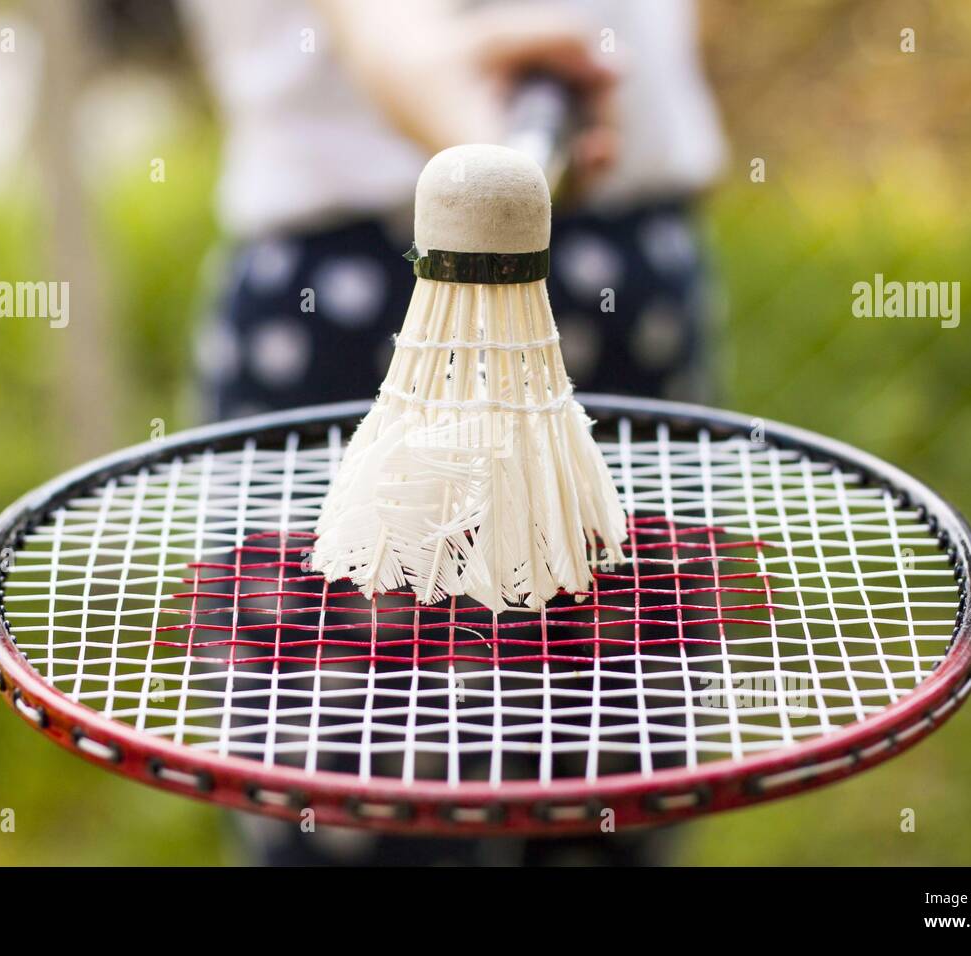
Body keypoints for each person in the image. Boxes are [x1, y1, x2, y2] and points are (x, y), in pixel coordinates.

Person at [178, 0, 726, 865]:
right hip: (348, 296)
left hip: (628, 278)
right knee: (352, 798)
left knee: (609, 782)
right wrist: (453, 96)